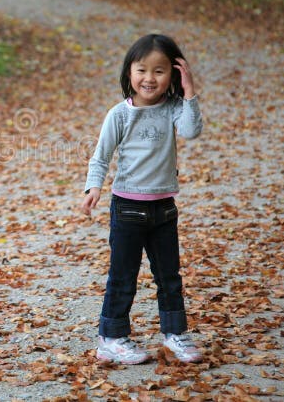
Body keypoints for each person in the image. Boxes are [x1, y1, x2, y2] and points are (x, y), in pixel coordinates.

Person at [80, 33, 204, 365]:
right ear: (129, 73)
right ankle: (111, 338)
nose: (149, 78)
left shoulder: (174, 109)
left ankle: (175, 333)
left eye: (160, 71)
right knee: (123, 276)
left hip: (164, 207)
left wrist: (190, 92)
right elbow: (101, 156)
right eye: (142, 70)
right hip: (128, 208)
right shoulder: (119, 114)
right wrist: (94, 187)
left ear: (173, 75)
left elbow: (192, 131)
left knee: (169, 276)